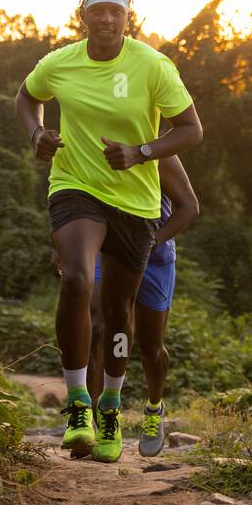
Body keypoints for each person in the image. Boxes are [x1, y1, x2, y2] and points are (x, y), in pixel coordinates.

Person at [16, 0, 202, 463]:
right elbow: (25, 95)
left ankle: (113, 409)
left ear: (127, 18)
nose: (105, 19)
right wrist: (37, 132)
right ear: (83, 16)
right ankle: (79, 404)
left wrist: (142, 152)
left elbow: (191, 130)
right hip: (76, 186)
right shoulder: (58, 62)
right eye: (97, 10)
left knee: (120, 316)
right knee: (77, 280)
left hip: (136, 205)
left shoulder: (153, 66)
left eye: (114, 11)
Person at [81, 155, 197, 456]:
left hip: (154, 255)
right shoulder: (91, 146)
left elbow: (189, 208)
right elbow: (72, 201)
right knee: (96, 327)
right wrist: (61, 247)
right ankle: (97, 420)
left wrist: (151, 242)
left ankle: (155, 408)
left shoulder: (159, 154)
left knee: (151, 347)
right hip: (107, 251)